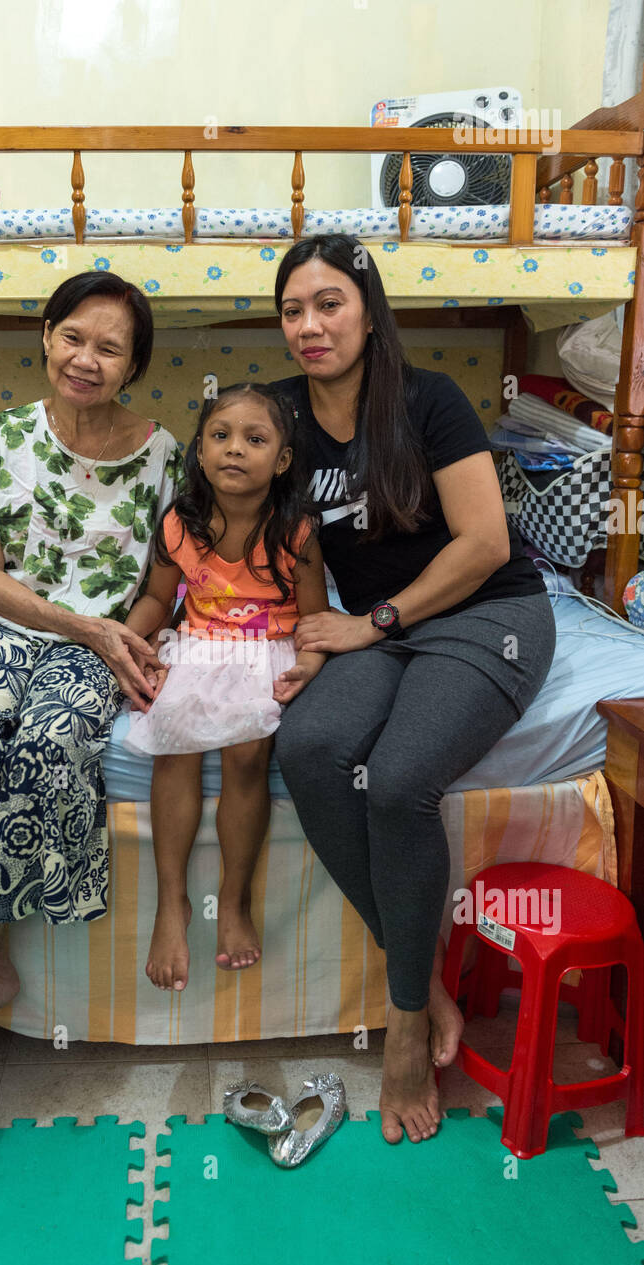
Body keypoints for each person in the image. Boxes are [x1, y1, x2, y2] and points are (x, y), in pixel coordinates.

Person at [269, 234, 556, 1147]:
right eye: (291, 311)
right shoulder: (279, 412)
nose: (309, 326)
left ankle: (399, 1029)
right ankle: (422, 981)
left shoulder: (427, 400)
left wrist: (374, 623)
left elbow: (484, 543)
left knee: (396, 782)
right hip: (374, 626)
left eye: (328, 305)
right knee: (311, 750)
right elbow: (230, 504)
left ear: (367, 308)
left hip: (482, 614)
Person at [0, 271, 183, 1099]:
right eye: (73, 337)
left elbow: (162, 585)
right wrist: (86, 623)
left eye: (109, 349)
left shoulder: (163, 453)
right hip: (11, 624)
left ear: (133, 366)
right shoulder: (3, 437)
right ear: (47, 336)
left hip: (100, 644)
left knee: (50, 747)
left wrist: (129, 634)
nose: (85, 359)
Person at [122, 383, 328, 991]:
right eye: (221, 436)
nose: (235, 449)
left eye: (255, 439)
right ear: (201, 451)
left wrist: (311, 662)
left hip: (267, 649)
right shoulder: (180, 524)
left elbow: (314, 620)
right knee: (174, 745)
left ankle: (233, 902)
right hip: (198, 646)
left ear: (282, 461)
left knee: (245, 753)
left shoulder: (296, 531)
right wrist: (128, 646)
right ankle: (171, 904)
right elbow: (160, 599)